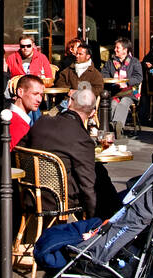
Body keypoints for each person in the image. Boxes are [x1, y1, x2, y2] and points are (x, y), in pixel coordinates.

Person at [19, 85, 118, 218]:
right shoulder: (82, 139)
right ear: (92, 113)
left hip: (28, 192)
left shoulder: (42, 121)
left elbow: (20, 147)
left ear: (70, 103)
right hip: (56, 199)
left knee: (98, 171)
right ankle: (109, 224)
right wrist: (92, 216)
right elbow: (88, 185)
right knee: (99, 177)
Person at [100, 36, 142, 134]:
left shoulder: (134, 62)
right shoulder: (110, 63)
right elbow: (104, 74)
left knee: (124, 102)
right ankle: (112, 125)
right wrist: (113, 81)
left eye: (117, 48)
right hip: (115, 91)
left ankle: (116, 125)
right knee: (114, 103)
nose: (115, 50)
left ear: (125, 50)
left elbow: (138, 77)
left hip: (130, 92)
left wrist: (126, 82)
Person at [9, 74, 45, 148]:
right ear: (20, 92)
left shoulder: (7, 115)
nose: (39, 100)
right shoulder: (16, 124)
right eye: (35, 94)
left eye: (41, 95)